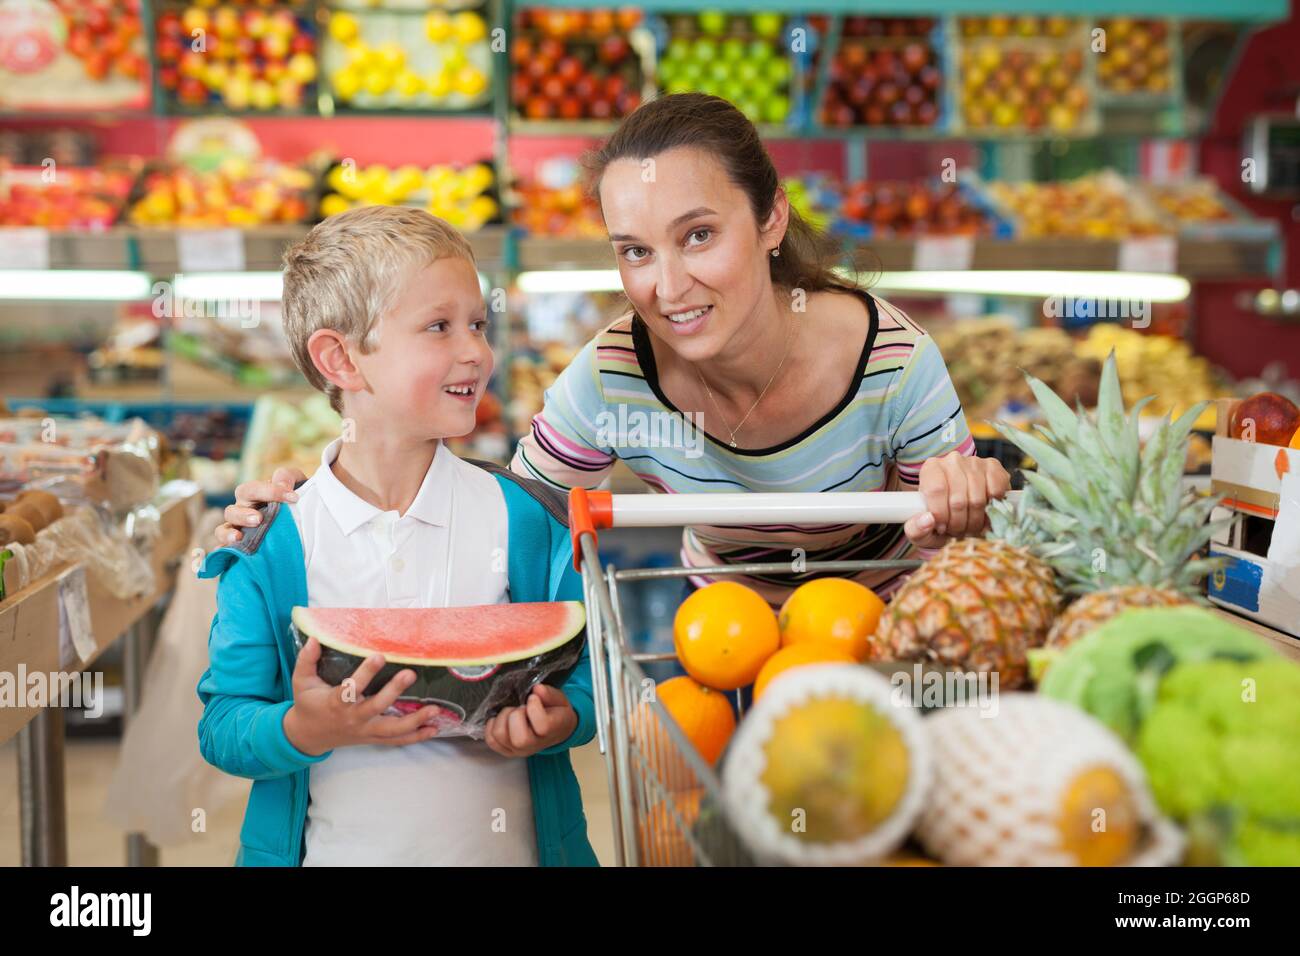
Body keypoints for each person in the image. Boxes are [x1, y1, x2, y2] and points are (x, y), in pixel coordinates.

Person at [220, 94, 1010, 606]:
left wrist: (964, 492)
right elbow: (515, 507)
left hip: (889, 638)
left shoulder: (894, 361)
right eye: (634, 251)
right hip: (722, 643)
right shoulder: (613, 377)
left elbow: (954, 545)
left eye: (698, 236)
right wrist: (320, 497)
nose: (668, 287)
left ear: (770, 220)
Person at [196, 206, 597, 866]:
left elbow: (586, 683)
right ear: (341, 359)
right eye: (438, 326)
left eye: (478, 323)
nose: (476, 350)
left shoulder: (527, 520)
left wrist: (563, 721)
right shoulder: (273, 543)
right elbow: (221, 727)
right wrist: (302, 727)